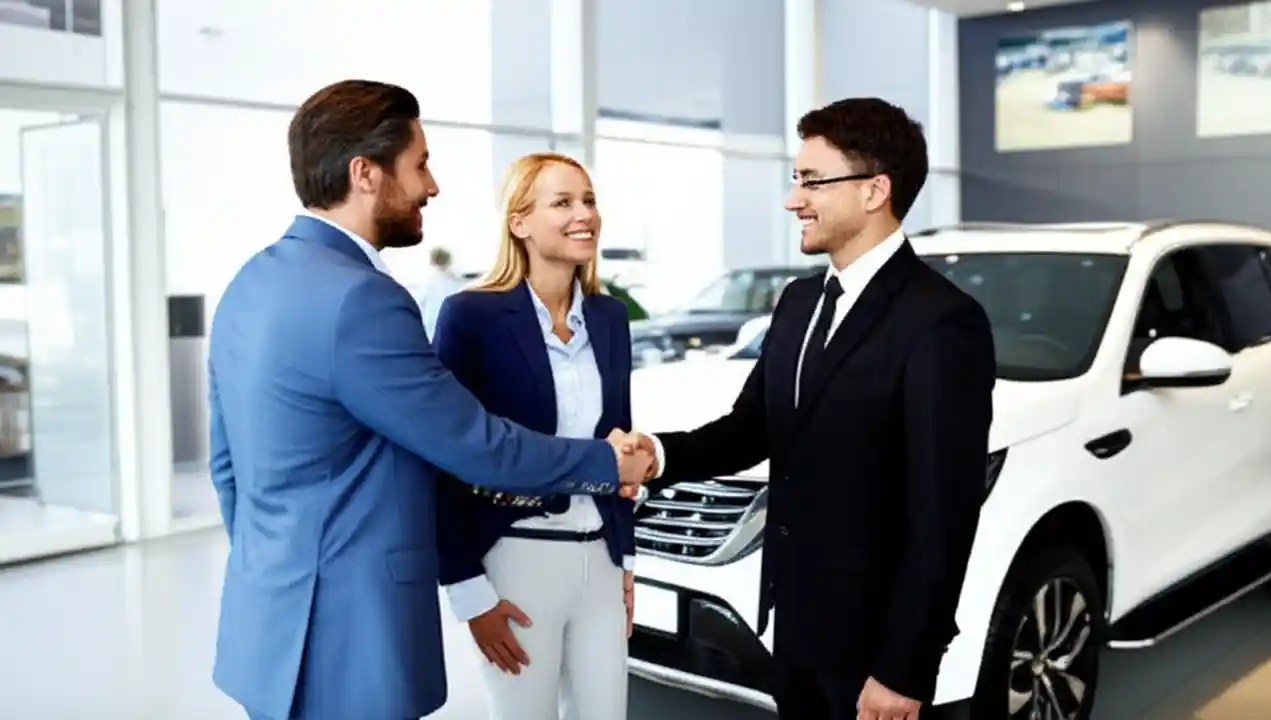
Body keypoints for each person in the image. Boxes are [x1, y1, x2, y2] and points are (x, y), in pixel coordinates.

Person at [207, 80, 652, 720]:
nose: (431, 187)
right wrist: (610, 465)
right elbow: (474, 445)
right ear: (366, 173)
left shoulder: (251, 282)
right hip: (348, 634)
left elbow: (227, 468)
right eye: (419, 165)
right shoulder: (364, 299)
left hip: (270, 619)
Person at [625, 98, 996, 720]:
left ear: (875, 190)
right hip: (793, 624)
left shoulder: (942, 321)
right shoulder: (799, 301)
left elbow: (944, 517)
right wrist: (656, 454)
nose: (792, 200)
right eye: (795, 179)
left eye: (810, 180)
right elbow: (755, 429)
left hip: (874, 647)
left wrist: (904, 669)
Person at [433, 152, 635, 720]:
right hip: (515, 561)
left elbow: (613, 447)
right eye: (563, 202)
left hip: (600, 559)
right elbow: (445, 459)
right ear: (518, 221)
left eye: (589, 200)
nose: (585, 215)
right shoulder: (469, 316)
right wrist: (468, 591)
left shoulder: (610, 317)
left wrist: (628, 561)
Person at [416, 246, 466, 339]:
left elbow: (417, 304)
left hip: (431, 330)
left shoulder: (425, 282)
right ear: (449, 261)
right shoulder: (457, 283)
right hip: (451, 329)